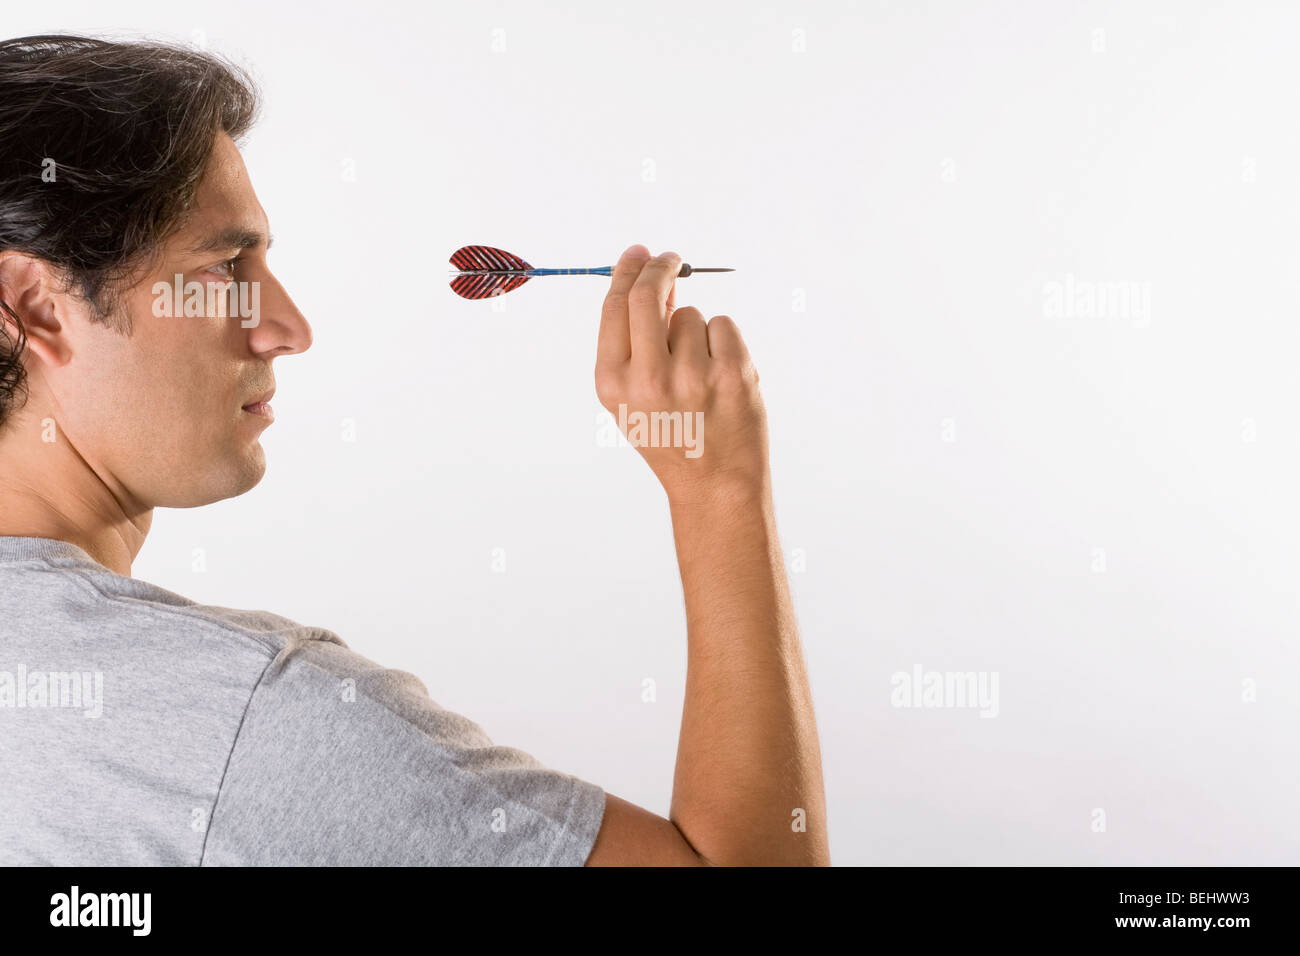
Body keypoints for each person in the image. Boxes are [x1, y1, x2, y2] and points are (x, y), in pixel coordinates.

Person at [0, 34, 828, 866]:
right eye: (224, 266)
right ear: (37, 308)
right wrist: (720, 491)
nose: (289, 329)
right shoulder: (252, 721)